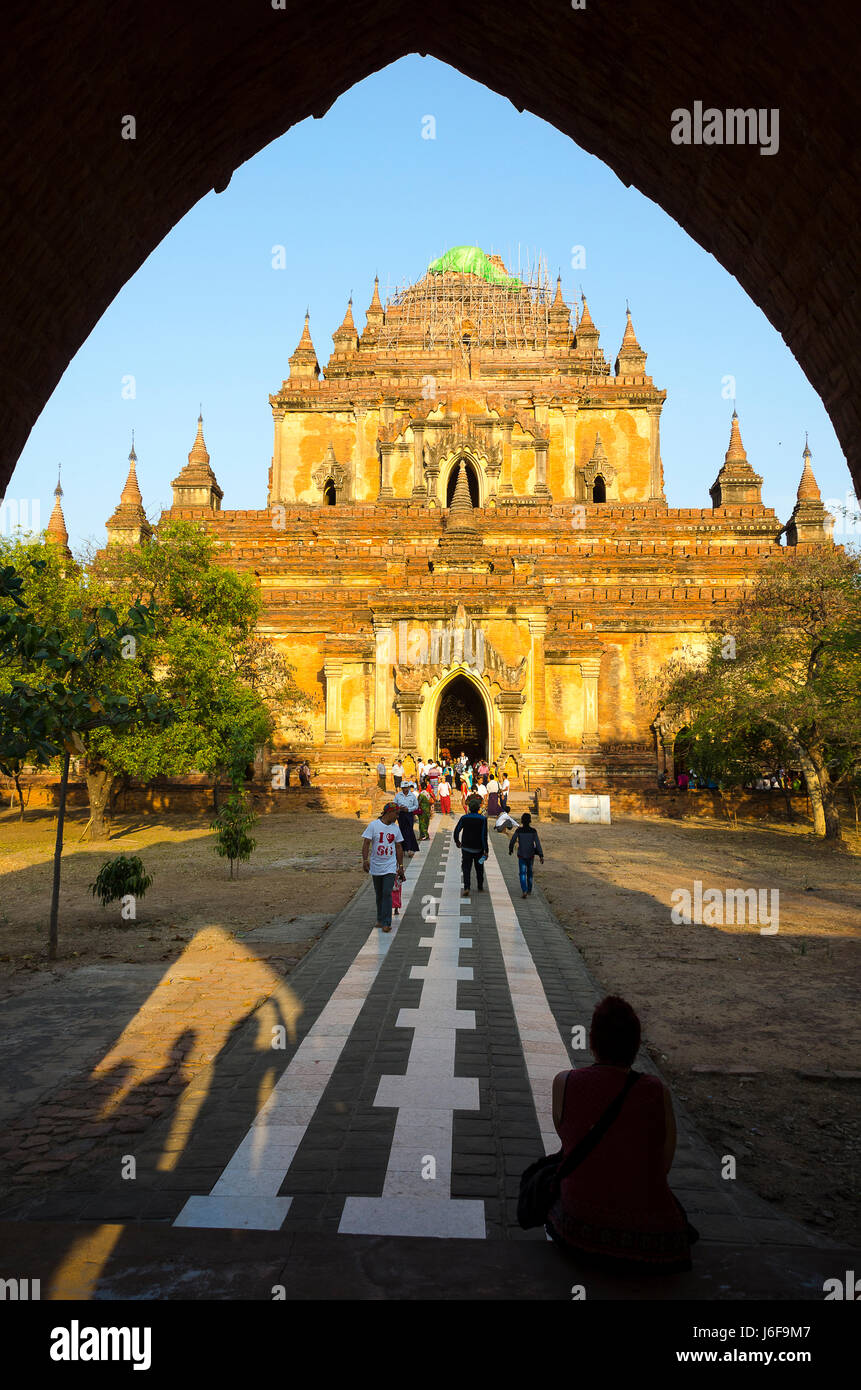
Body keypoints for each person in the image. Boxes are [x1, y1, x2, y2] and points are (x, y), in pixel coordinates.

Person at [546, 996, 694, 1274]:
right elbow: (662, 1166)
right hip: (656, 1241)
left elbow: (568, 1141)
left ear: (592, 1043)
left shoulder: (564, 1083)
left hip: (579, 1230)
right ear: (636, 1045)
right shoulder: (655, 1091)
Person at [361, 802, 405, 934]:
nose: (397, 817)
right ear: (388, 812)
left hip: (390, 866)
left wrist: (400, 866)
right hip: (376, 866)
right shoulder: (373, 825)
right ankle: (380, 919)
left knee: (387, 892)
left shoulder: (395, 828)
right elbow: (366, 843)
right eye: (396, 814)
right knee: (379, 893)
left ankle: (387, 922)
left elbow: (398, 847)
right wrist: (364, 860)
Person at [454, 794, 489, 896]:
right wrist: (486, 850)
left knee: (466, 868)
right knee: (479, 867)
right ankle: (480, 886)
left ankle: (467, 887)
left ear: (469, 808)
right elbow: (484, 835)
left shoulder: (464, 818)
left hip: (466, 848)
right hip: (479, 849)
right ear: (478, 808)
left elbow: (457, 831)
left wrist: (457, 841)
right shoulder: (483, 819)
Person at [508, 812, 543, 898]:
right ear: (530, 821)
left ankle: (524, 890)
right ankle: (529, 890)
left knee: (522, 873)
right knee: (530, 872)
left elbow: (512, 840)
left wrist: (510, 849)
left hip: (521, 855)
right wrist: (541, 855)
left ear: (522, 821)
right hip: (531, 855)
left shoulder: (519, 831)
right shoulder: (533, 831)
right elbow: (538, 844)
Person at [395, 781, 419, 855]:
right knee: (402, 831)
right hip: (401, 815)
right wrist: (399, 808)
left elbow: (416, 806)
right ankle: (402, 849)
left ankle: (409, 848)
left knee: (409, 831)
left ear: (408, 788)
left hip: (409, 815)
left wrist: (409, 809)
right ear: (402, 788)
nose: (405, 789)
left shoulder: (412, 796)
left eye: (406, 788)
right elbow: (394, 804)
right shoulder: (398, 795)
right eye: (404, 788)